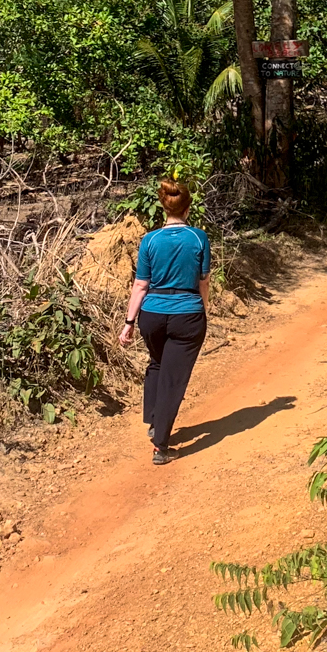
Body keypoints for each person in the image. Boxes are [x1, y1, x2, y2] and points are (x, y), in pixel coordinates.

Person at [117, 179, 210, 464]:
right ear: (188, 208)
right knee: (173, 377)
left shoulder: (150, 240)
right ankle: (161, 446)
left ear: (163, 207)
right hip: (187, 313)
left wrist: (129, 321)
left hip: (152, 315)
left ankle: (154, 421)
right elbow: (203, 280)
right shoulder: (198, 238)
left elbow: (140, 285)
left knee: (157, 364)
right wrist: (203, 309)